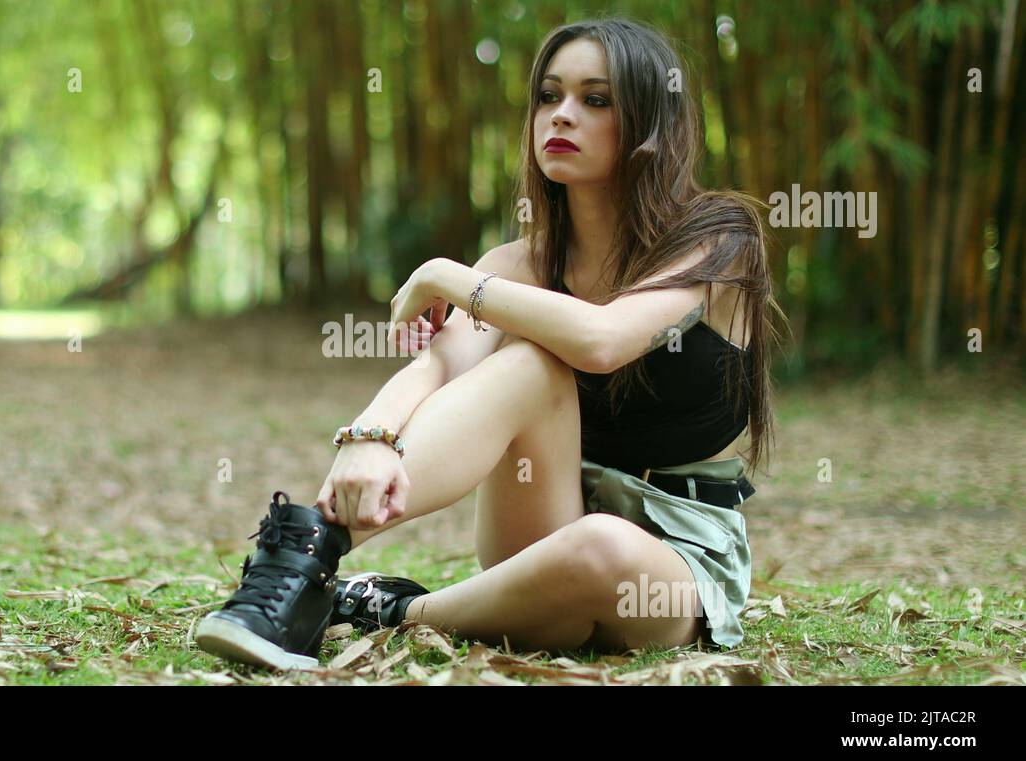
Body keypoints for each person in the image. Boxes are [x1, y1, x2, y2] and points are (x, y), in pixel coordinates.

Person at [195, 16, 783, 671]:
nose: (561, 116)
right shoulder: (516, 264)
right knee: (529, 365)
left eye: (594, 99)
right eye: (548, 96)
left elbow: (602, 340)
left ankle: (391, 608)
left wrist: (448, 275)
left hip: (670, 560)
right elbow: (439, 367)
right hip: (542, 522)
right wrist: (370, 437)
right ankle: (301, 560)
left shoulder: (721, 240)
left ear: (649, 124)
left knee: (599, 548)